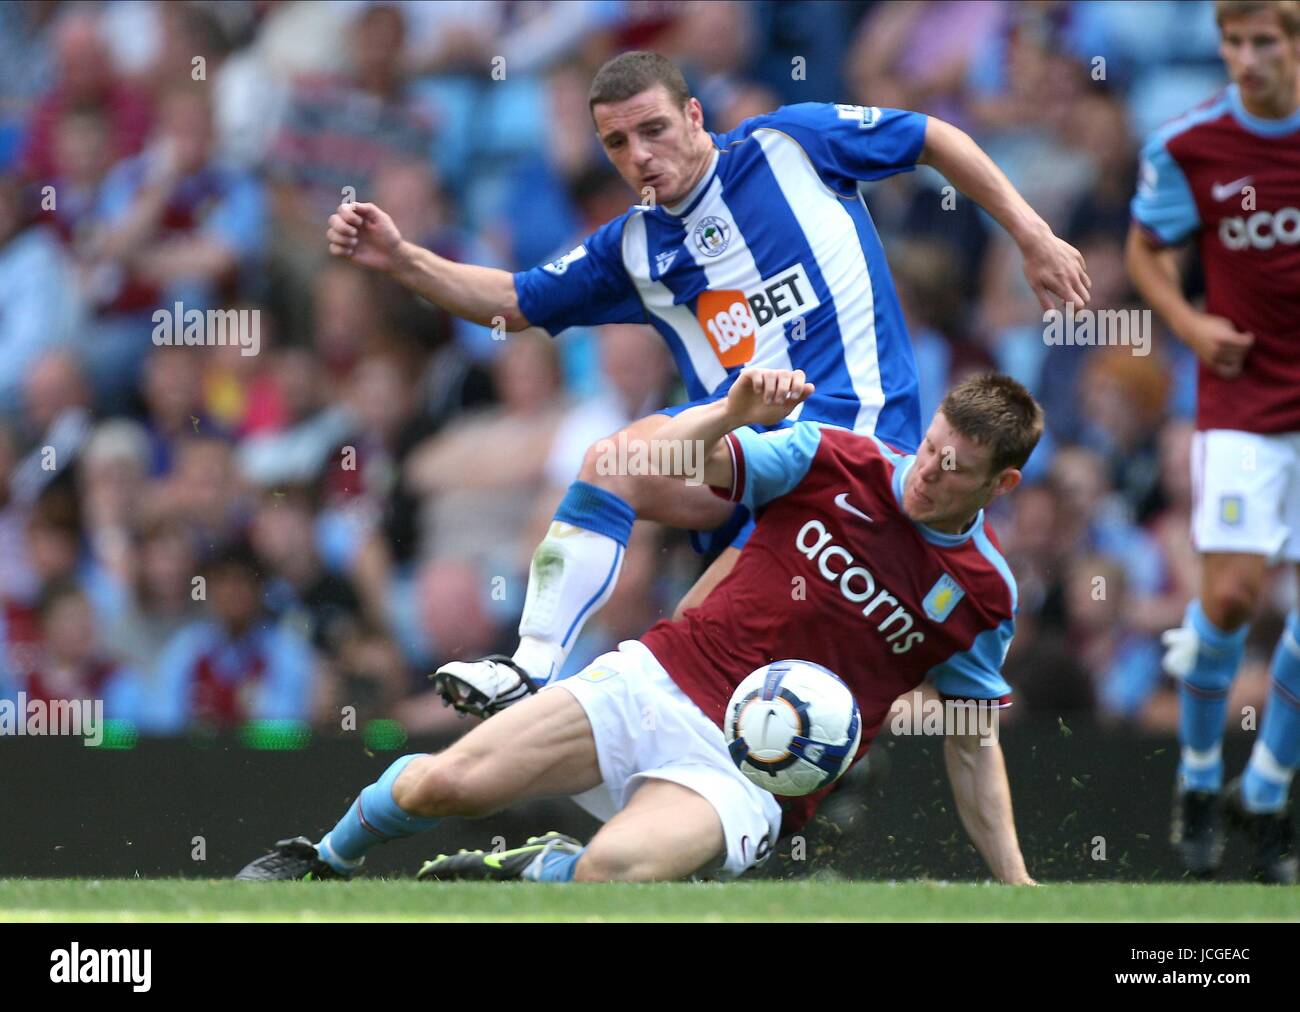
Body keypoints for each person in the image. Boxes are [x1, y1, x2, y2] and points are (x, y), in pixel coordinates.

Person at [324, 49, 1089, 715]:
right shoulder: (632, 250)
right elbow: (511, 302)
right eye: (617, 142)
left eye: (653, 128)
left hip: (858, 465)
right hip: (742, 467)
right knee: (629, 512)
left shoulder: (792, 143)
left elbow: (932, 137)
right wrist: (403, 259)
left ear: (694, 114)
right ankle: (530, 669)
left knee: (683, 676)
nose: (640, 155)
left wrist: (1031, 232)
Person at [236, 367, 1039, 885]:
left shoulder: (982, 594)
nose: (925, 471)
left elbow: (972, 742)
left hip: (748, 775)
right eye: (930, 445)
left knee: (612, 871)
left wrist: (1017, 887)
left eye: (952, 469)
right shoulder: (833, 457)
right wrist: (728, 413)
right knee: (440, 785)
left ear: (999, 484)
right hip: (654, 680)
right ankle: (322, 859)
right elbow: (656, 464)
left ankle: (539, 871)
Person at [1126, 0, 1300, 883]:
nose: (1245, 58)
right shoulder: (1190, 145)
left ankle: (1266, 790)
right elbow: (1147, 248)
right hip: (1242, 408)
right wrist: (1190, 324)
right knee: (1231, 599)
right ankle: (1200, 777)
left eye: (1263, 42)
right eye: (1233, 42)